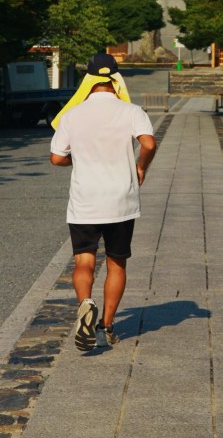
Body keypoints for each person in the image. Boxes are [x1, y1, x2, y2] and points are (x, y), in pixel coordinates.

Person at [49, 53, 156, 351]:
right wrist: (141, 166)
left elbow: (56, 158)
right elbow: (148, 143)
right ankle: (106, 327)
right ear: (116, 79)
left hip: (85, 199)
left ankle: (86, 302)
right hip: (121, 200)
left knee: (84, 260)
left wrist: (77, 159)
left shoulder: (73, 115)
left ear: (89, 79)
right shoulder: (131, 111)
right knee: (116, 262)